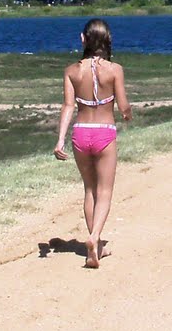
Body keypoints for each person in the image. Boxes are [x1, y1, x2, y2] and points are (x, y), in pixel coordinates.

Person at [54, 18, 131, 267]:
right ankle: (95, 237)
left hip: (80, 133)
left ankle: (94, 248)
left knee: (89, 190)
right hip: (104, 132)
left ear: (83, 39)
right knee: (105, 191)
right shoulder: (114, 69)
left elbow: (68, 106)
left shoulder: (71, 71)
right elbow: (123, 106)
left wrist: (60, 140)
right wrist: (128, 115)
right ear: (108, 40)